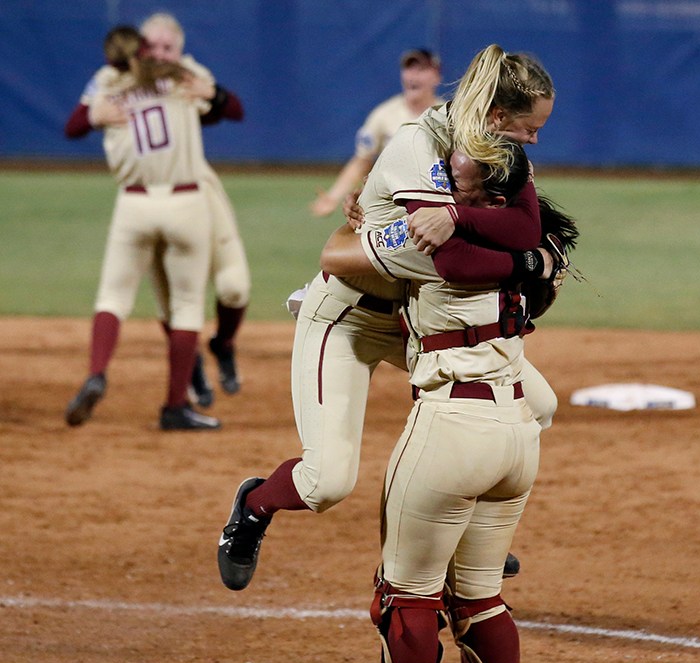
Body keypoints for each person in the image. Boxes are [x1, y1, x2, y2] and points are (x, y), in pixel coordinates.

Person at [215, 45, 558, 595]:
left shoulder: (496, 155)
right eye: (530, 127)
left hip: (415, 323)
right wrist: (533, 263)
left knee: (537, 405)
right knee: (327, 482)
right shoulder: (418, 146)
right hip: (348, 316)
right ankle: (253, 505)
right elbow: (454, 261)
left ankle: (467, 536)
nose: (535, 140)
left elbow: (522, 231)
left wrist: (518, 250)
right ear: (497, 117)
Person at [65, 13, 251, 407]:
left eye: (169, 47)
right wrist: (212, 95)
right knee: (183, 305)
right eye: (154, 46)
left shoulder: (109, 85)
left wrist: (96, 114)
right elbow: (230, 109)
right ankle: (178, 399)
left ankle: (99, 372)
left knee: (114, 296)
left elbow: (74, 126)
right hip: (185, 199)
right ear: (142, 48)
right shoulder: (179, 78)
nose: (161, 54)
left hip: (136, 201)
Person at [309, 49, 443, 217]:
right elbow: (362, 160)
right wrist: (333, 197)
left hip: (436, 204)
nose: (413, 76)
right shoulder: (384, 114)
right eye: (409, 68)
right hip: (392, 205)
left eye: (421, 70)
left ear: (436, 76)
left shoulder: (447, 115)